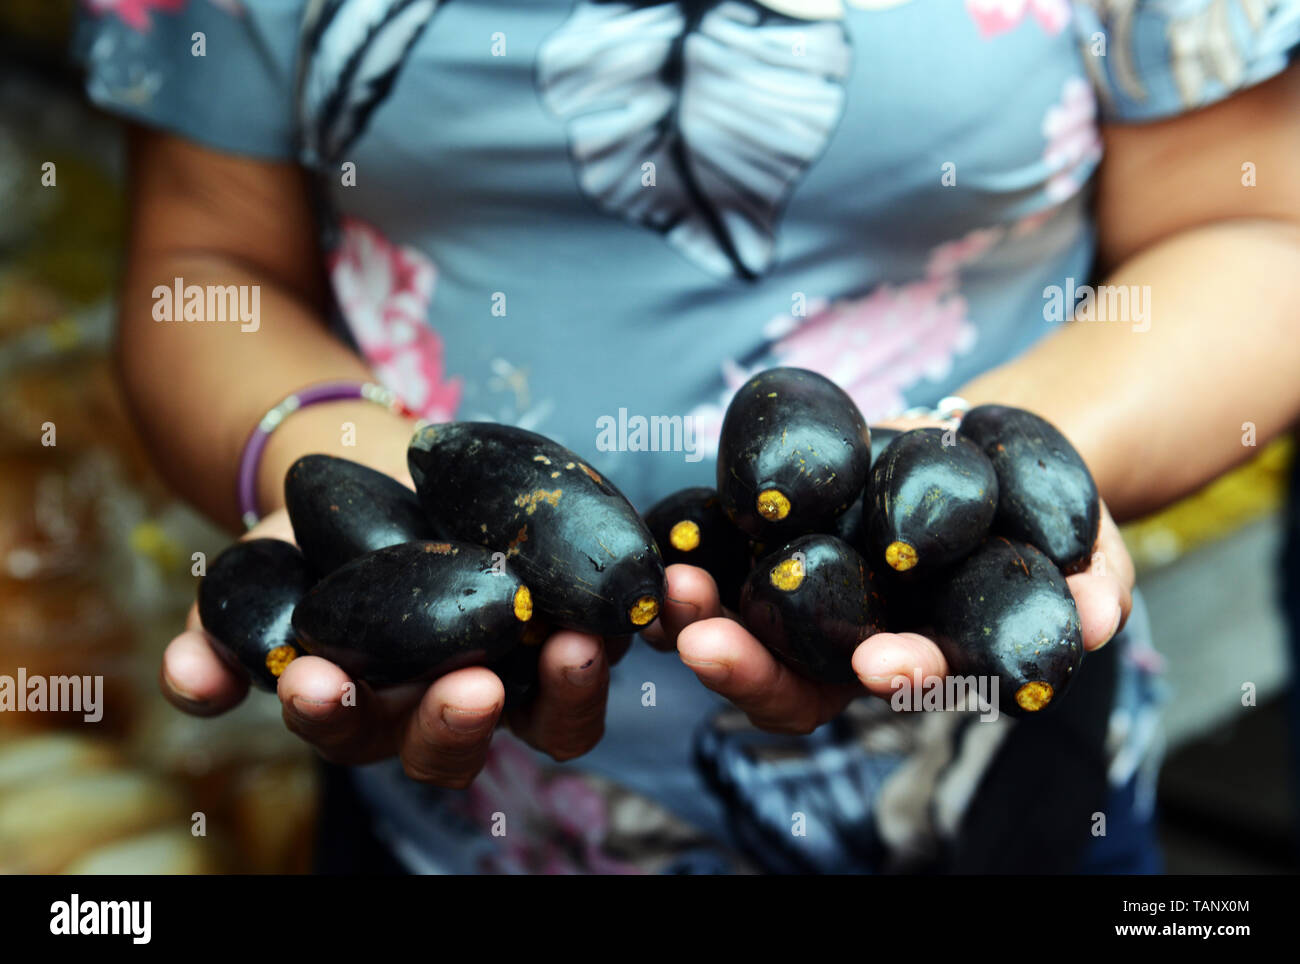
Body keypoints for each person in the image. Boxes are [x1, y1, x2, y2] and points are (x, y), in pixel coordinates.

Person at [75, 0, 1300, 874]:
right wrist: (320, 443)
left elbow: (1251, 235)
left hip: (998, 783)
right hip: (449, 805)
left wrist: (1006, 462)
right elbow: (205, 261)